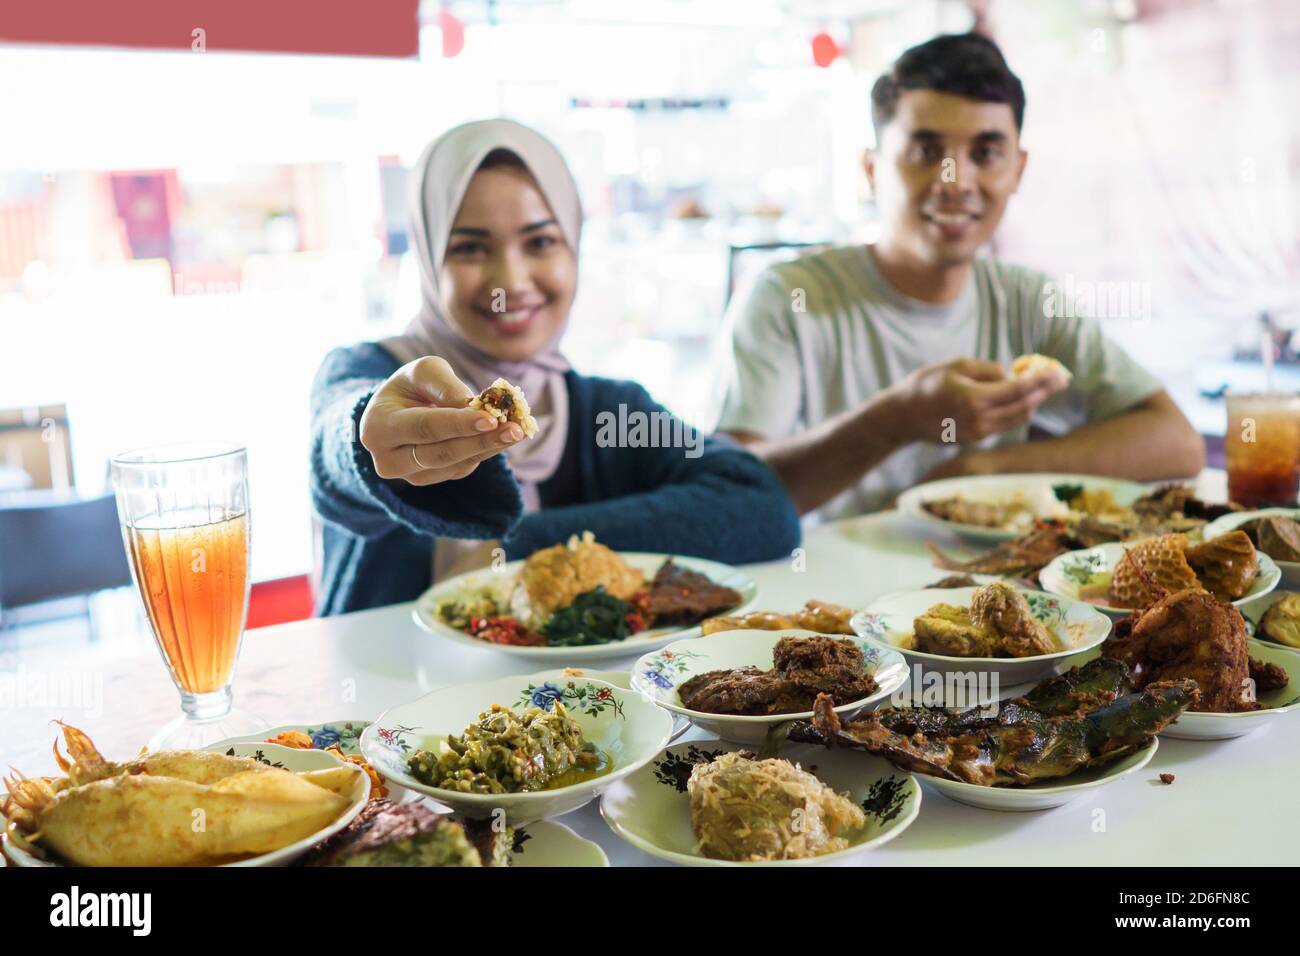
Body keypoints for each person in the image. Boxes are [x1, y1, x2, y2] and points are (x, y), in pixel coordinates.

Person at [310, 119, 800, 615]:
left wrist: (517, 545)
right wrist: (368, 436)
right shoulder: (369, 370)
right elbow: (332, 461)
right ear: (429, 257)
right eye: (470, 247)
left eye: (541, 242)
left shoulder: (606, 413)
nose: (512, 280)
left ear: (574, 246)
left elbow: (761, 509)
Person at [713, 32, 1204, 519]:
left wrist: (985, 469)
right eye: (927, 153)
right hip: (818, 595)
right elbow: (730, 496)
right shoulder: (788, 299)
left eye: (985, 154)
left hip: (987, 593)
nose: (956, 182)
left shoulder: (1028, 301)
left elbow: (1177, 441)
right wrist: (895, 419)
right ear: (871, 169)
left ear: (1017, 169)